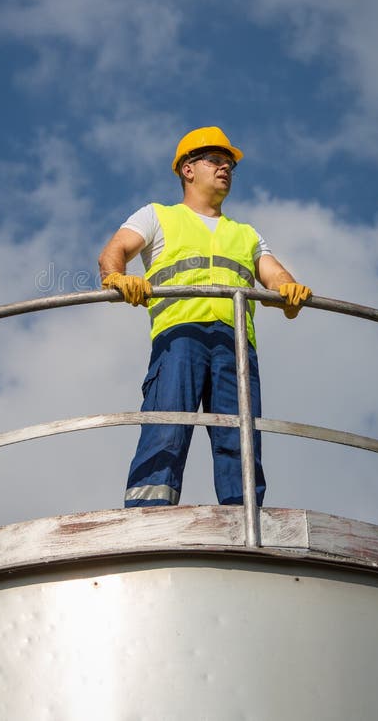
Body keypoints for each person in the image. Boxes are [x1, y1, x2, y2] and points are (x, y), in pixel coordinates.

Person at [98, 126, 311, 508]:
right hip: (179, 339)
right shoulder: (157, 216)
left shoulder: (245, 234)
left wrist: (289, 289)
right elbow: (114, 251)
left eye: (229, 163)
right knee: (167, 430)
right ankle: (147, 515)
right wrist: (116, 276)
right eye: (215, 159)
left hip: (235, 349)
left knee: (240, 438)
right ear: (187, 169)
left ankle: (244, 520)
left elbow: (275, 275)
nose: (225, 167)